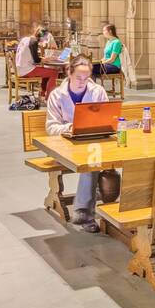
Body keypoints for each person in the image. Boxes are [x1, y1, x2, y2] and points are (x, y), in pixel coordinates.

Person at [44, 56, 110, 233]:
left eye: (86, 78)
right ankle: (84, 212)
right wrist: (70, 127)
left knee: (98, 156)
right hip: (65, 144)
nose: (82, 82)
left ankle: (113, 209)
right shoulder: (57, 95)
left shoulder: (98, 92)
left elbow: (106, 117)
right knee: (93, 160)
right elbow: (51, 127)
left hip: (93, 141)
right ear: (69, 73)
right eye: (78, 78)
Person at [14, 26, 59, 94]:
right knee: (54, 72)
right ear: (42, 37)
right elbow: (37, 60)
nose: (44, 40)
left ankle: (43, 94)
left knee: (46, 71)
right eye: (45, 38)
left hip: (20, 68)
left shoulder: (25, 39)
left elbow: (33, 57)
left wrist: (45, 59)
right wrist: (48, 59)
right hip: (26, 70)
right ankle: (49, 96)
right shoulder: (34, 42)